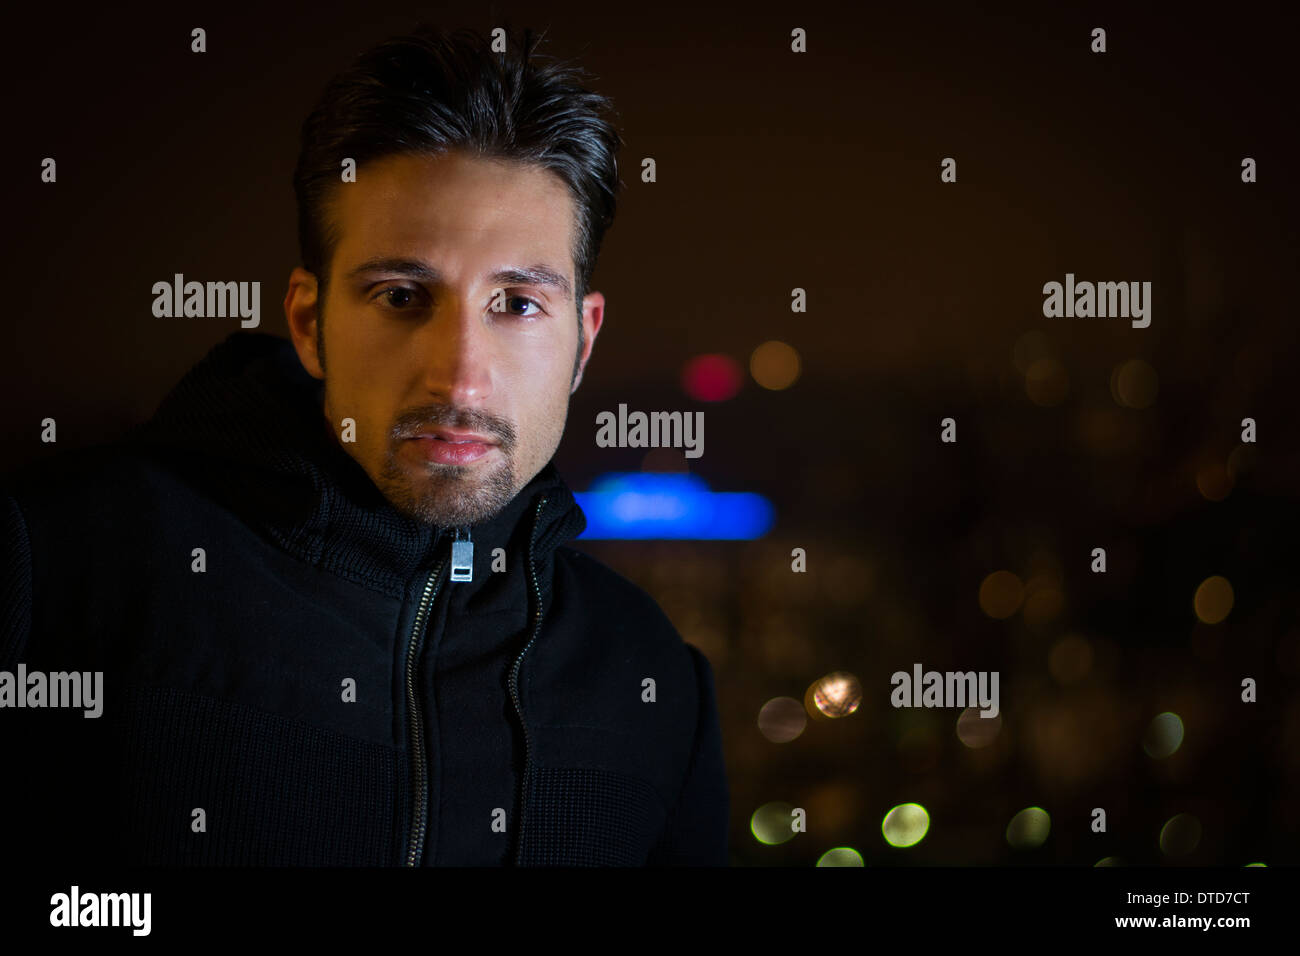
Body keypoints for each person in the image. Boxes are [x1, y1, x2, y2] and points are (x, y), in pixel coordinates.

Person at [0, 24, 728, 867]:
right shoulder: (54, 567)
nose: (459, 379)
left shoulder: (651, 682)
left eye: (518, 304)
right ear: (310, 324)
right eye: (400, 296)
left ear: (583, 340)